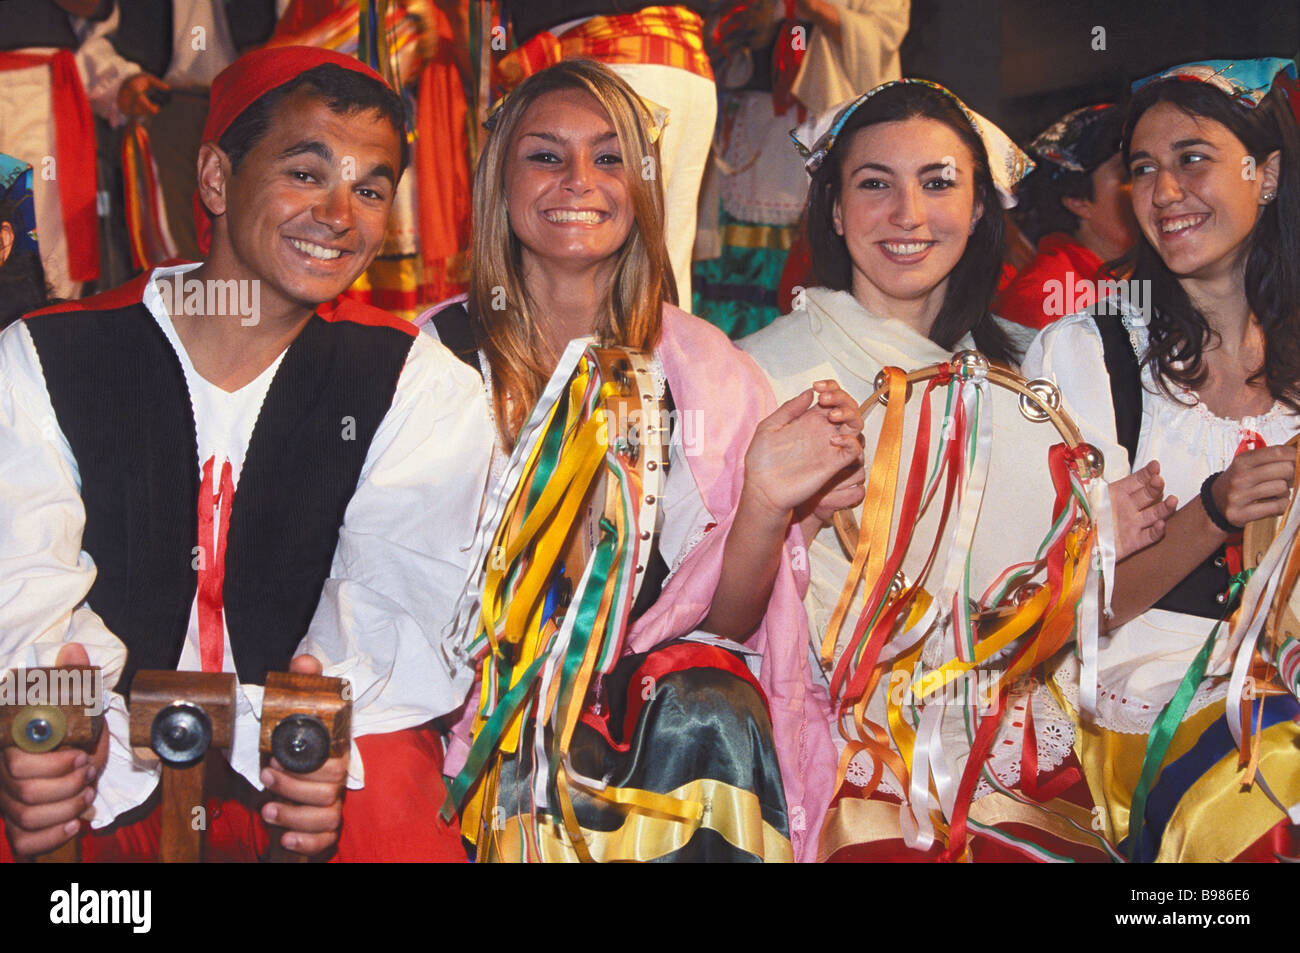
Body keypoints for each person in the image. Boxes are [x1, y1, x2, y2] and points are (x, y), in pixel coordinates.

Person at [0, 46, 493, 862]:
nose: (341, 214)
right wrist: (67, 738)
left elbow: (397, 604)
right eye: (306, 173)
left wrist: (301, 733)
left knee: (403, 815)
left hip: (318, 749)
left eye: (370, 188)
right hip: (102, 746)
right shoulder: (48, 356)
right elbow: (22, 588)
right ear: (218, 180)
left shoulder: (415, 380)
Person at [422, 58, 860, 862]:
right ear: (500, 181)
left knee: (713, 704)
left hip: (646, 715)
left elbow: (723, 624)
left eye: (611, 156)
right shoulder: (432, 356)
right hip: (472, 705)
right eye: (546, 155)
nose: (579, 181)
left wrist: (766, 499)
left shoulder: (705, 366)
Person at [739, 78, 1174, 861]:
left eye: (938, 182)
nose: (908, 214)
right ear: (834, 210)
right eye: (875, 184)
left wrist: (1086, 546)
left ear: (980, 210)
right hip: (837, 765)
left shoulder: (1027, 377)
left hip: (1008, 753)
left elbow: (1040, 625)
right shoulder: (758, 376)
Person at [1023, 58, 1300, 862]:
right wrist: (1213, 512)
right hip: (1139, 704)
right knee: (1273, 770)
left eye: (1192, 158)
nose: (1164, 191)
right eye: (1143, 168)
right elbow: (1061, 612)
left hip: (1278, 685)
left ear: (1268, 174)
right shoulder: (1090, 354)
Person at [993, 103, 1138, 331]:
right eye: (1130, 174)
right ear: (1079, 201)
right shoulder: (1043, 300)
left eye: (1148, 168)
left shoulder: (1143, 278)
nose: (1154, 188)